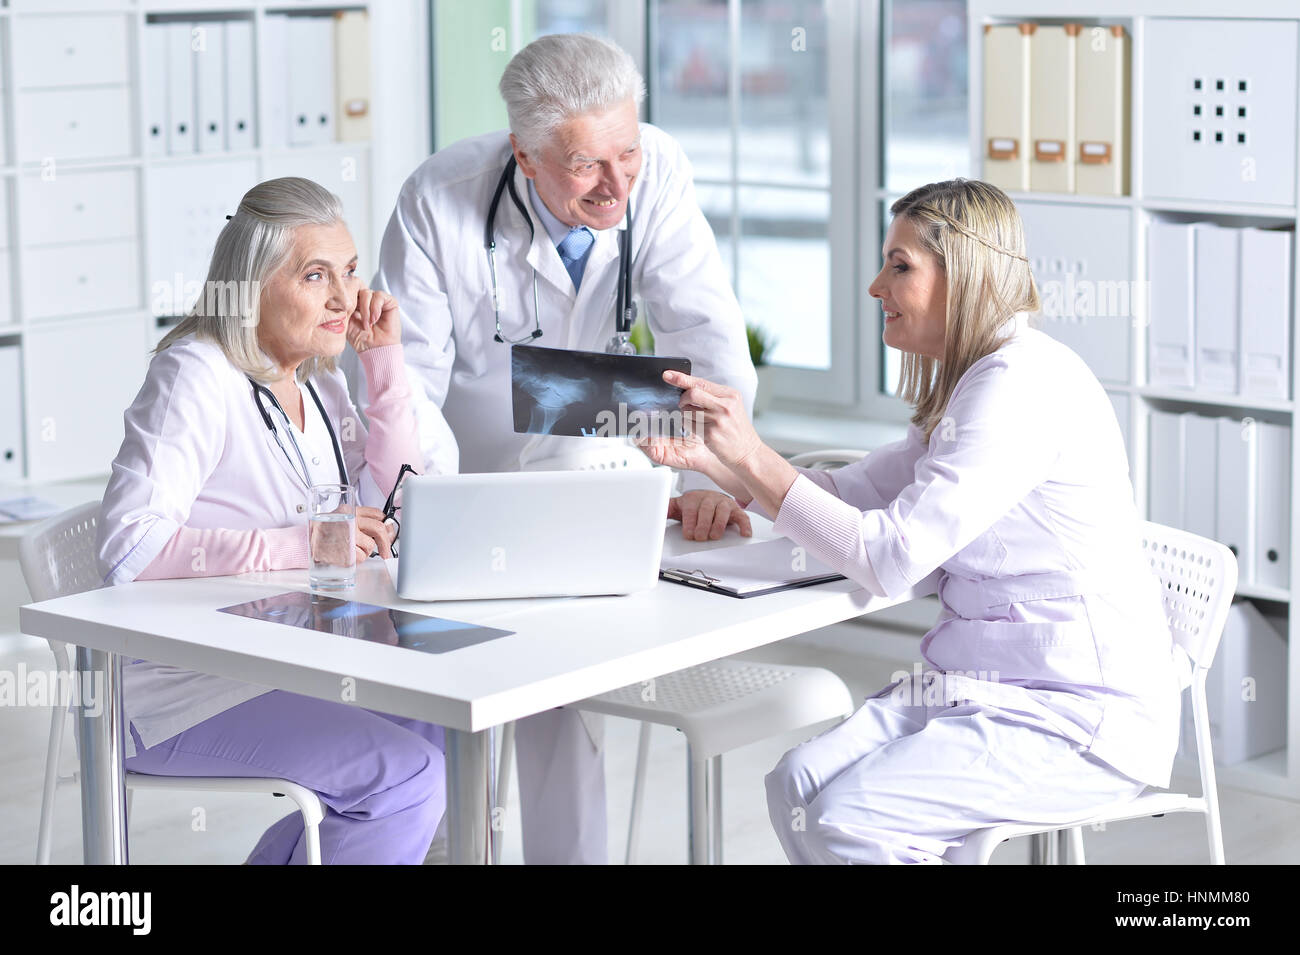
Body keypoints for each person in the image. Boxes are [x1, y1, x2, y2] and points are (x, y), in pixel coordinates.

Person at [639, 178, 1185, 864]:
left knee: (849, 818)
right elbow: (851, 493)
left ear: (966, 278)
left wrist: (753, 453)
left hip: (1075, 711)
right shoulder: (973, 382)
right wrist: (723, 463)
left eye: (900, 266)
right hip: (976, 687)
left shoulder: (1019, 388)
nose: (876, 285)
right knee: (798, 784)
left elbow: (890, 557)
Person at [365, 33, 758, 864]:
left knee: (556, 693)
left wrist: (721, 471)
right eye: (586, 167)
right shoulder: (440, 198)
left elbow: (710, 341)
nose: (618, 185)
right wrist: (422, 504)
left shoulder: (657, 171)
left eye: (627, 151)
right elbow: (409, 381)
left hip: (584, 469)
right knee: (445, 697)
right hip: (460, 474)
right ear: (525, 153)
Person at [96, 177, 445, 865]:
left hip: (293, 656)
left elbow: (397, 503)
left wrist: (384, 366)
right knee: (405, 779)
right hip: (183, 687)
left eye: (349, 272)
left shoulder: (318, 379)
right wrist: (303, 542)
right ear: (251, 286)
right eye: (316, 276)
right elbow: (129, 549)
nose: (344, 298)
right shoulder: (193, 375)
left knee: (439, 723)